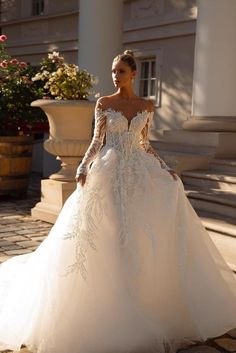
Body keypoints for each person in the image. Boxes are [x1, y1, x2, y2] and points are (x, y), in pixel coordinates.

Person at [0, 50, 236, 353]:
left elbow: (145, 144)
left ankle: (142, 295)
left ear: (133, 74)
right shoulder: (104, 103)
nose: (115, 76)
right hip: (109, 172)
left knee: (138, 231)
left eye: (121, 71)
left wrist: (165, 169)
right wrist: (84, 167)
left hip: (139, 172)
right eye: (113, 71)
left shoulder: (146, 106)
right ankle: (109, 296)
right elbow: (97, 141)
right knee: (109, 230)